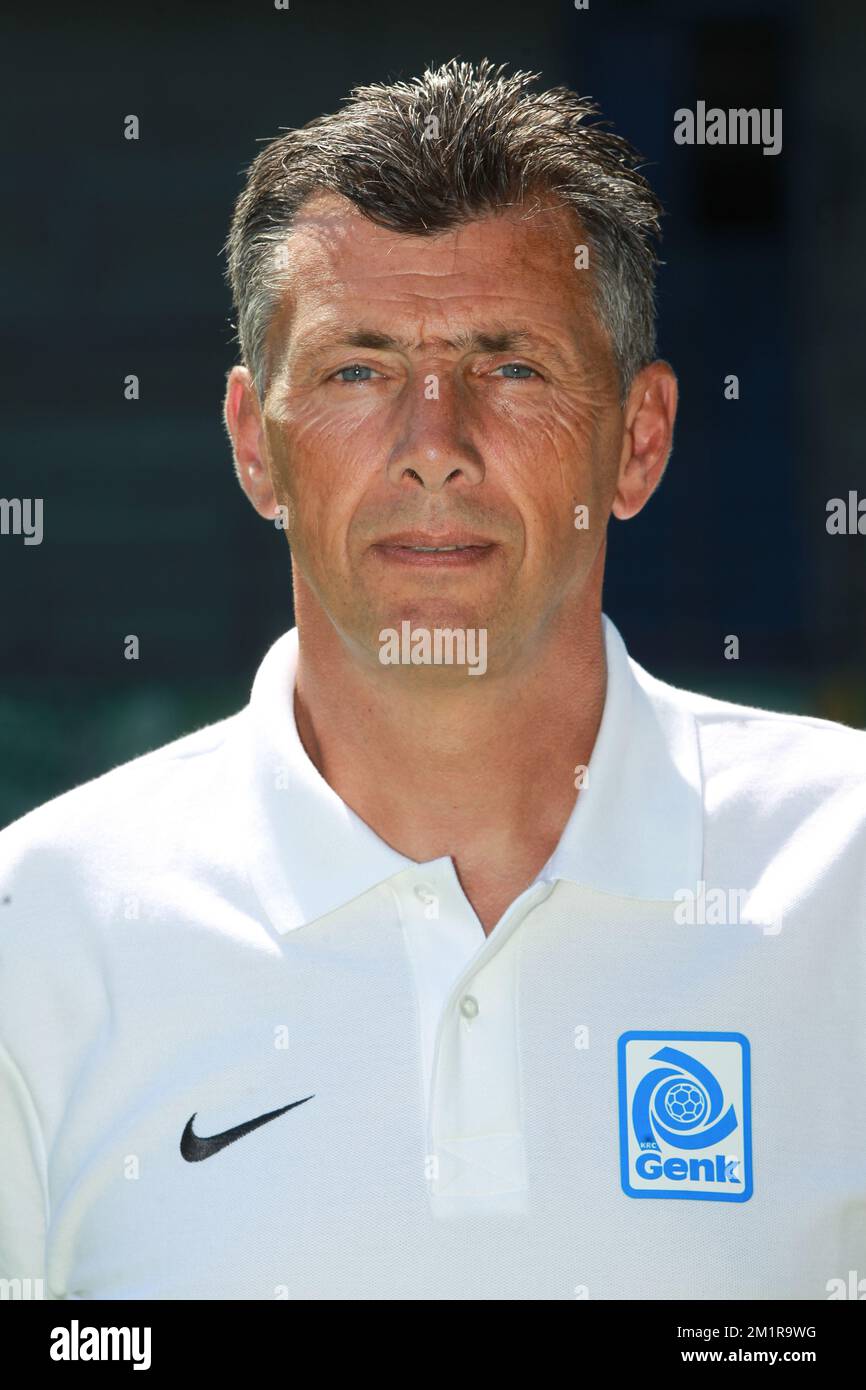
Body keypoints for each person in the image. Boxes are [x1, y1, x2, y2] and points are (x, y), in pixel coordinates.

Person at [1, 60, 864, 1301]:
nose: (433, 449)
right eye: (357, 369)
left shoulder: (843, 875)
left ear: (640, 439)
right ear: (255, 445)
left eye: (507, 367)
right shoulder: (38, 936)